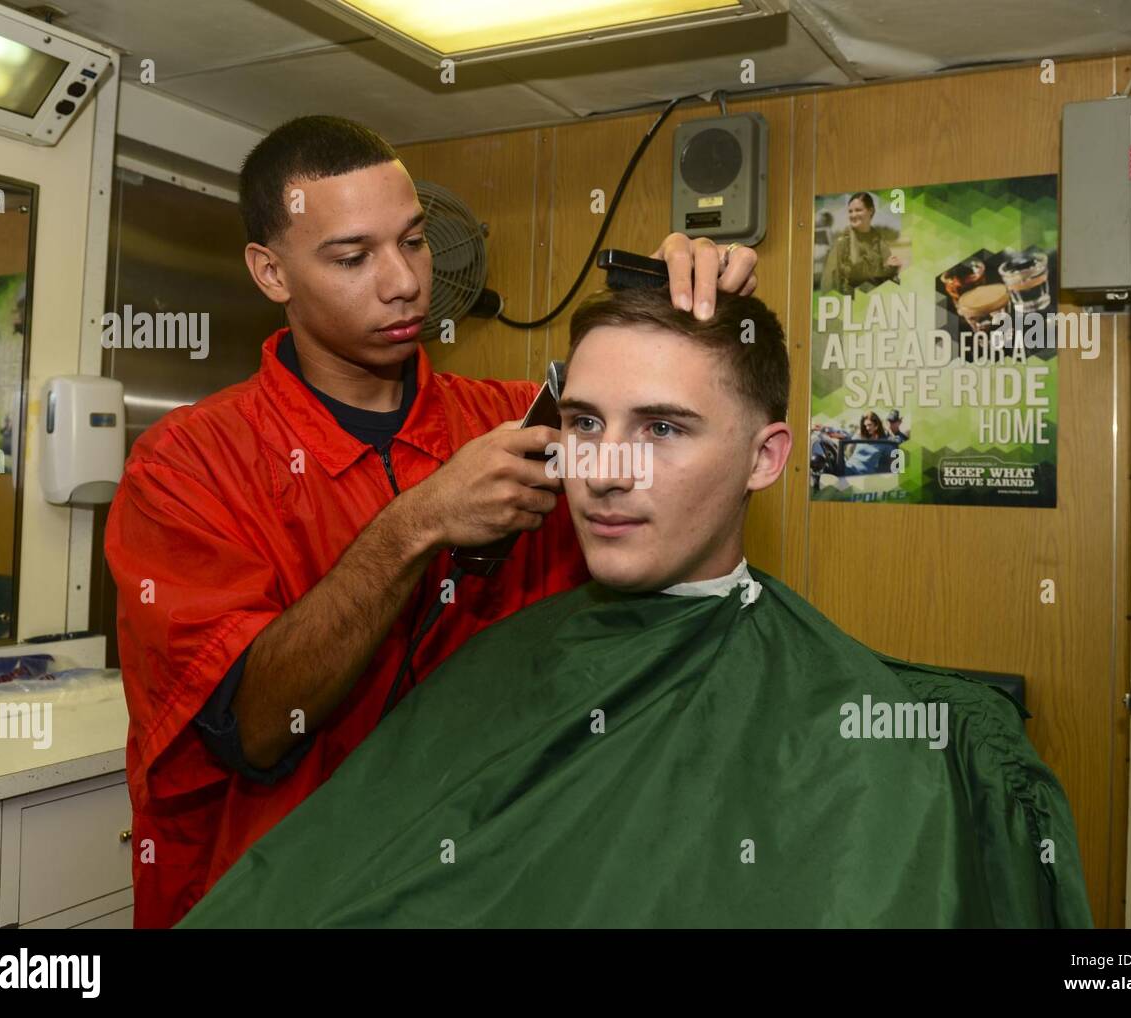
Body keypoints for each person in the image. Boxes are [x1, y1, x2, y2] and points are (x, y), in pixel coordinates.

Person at [177, 285, 1093, 929]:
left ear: (767, 459)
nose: (604, 470)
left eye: (662, 428)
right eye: (583, 423)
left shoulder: (866, 752)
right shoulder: (503, 665)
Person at [102, 115, 759, 928]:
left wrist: (692, 324)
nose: (405, 282)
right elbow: (258, 728)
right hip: (273, 899)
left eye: (414, 242)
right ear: (271, 273)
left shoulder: (520, 424)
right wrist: (415, 524)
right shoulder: (187, 465)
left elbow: (680, 499)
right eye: (353, 257)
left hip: (482, 891)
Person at [819, 191, 901, 294]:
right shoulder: (842, 243)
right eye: (850, 211)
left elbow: (890, 277)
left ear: (870, 211)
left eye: (858, 210)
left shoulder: (879, 242)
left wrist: (893, 269)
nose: (853, 215)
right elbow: (828, 282)